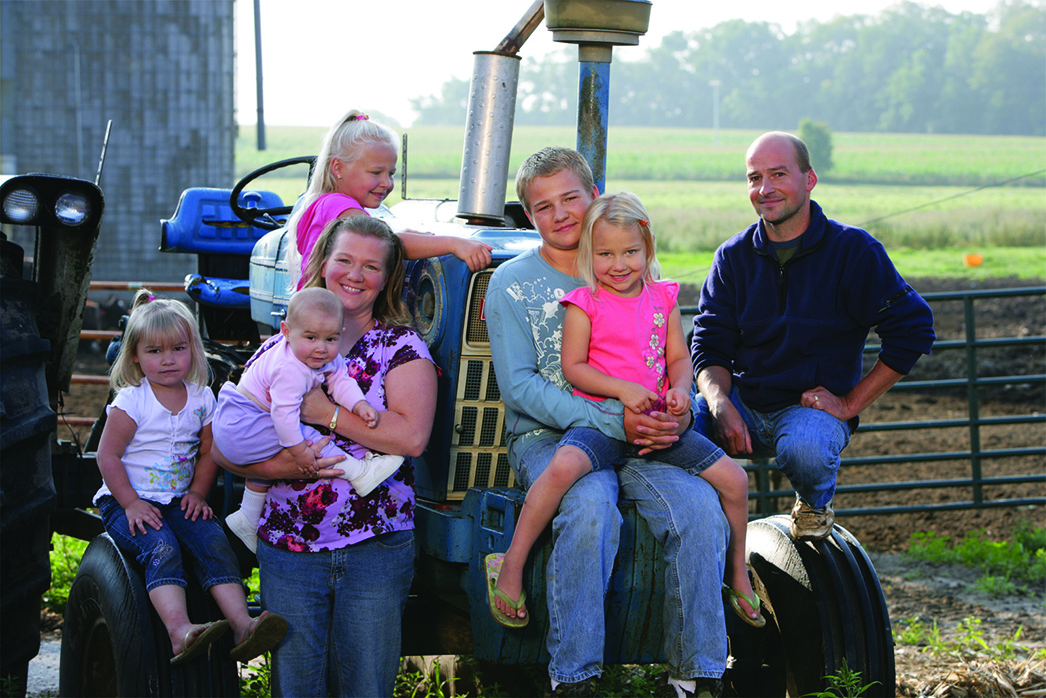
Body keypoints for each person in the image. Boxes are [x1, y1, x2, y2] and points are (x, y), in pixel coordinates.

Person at [486, 147, 729, 698]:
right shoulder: (513, 282)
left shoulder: (626, 265)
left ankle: (695, 675)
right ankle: (574, 678)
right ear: (529, 215)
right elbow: (521, 389)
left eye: (570, 197)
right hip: (549, 436)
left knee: (699, 507)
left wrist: (679, 411)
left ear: (593, 196)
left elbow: (668, 358)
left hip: (641, 434)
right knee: (591, 504)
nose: (560, 213)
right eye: (543, 206)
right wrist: (614, 416)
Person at [212, 215, 438, 698]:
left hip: (374, 544)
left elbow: (412, 437)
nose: (355, 275)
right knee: (297, 687)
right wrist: (289, 466)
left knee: (365, 687)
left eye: (371, 266)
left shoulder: (400, 346)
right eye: (345, 260)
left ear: (387, 278)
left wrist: (325, 413)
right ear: (323, 262)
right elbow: (228, 444)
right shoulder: (280, 348)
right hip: (289, 546)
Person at [691, 131, 935, 541]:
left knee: (806, 446)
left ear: (810, 179)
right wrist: (719, 404)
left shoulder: (852, 251)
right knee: (674, 427)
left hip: (809, 411)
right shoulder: (732, 257)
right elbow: (709, 343)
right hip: (743, 403)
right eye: (754, 178)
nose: (765, 189)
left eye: (778, 174)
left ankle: (813, 506)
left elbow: (913, 328)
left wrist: (849, 403)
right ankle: (701, 524)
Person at [94, 290, 287, 667]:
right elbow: (107, 455)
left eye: (178, 349)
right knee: (161, 546)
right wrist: (131, 503)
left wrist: (198, 493)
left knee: (214, 541)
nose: (168, 359)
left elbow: (208, 450)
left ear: (193, 350)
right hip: (125, 501)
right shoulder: (133, 400)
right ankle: (179, 631)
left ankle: (242, 626)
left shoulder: (201, 398)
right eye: (154, 351)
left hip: (177, 501)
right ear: (135, 355)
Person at [215, 287, 406, 553]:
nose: (321, 348)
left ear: (340, 334)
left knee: (283, 437)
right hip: (242, 427)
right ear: (286, 331)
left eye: (330, 339)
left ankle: (247, 515)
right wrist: (299, 452)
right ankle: (359, 473)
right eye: (311, 337)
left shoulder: (320, 356)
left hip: (249, 425)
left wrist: (359, 405)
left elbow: (340, 380)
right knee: (307, 436)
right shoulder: (290, 369)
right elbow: (283, 416)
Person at [288, 108, 491, 289]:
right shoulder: (339, 205)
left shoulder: (324, 205)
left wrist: (401, 234)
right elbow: (384, 245)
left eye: (391, 173)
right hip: (326, 315)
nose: (386, 183)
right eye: (376, 172)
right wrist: (453, 244)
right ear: (338, 167)